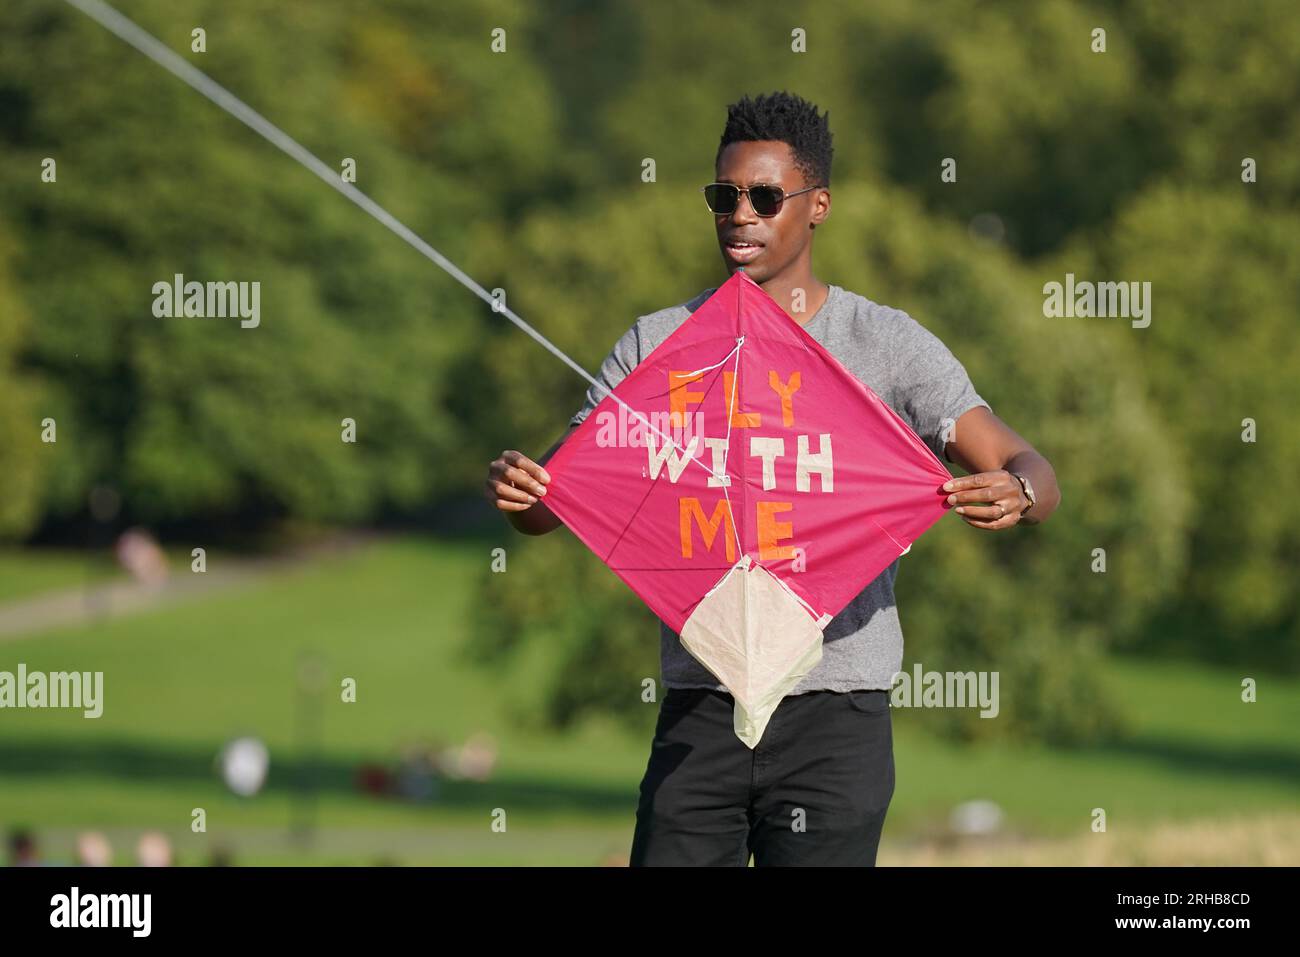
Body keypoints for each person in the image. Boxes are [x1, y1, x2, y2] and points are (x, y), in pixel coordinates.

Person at [484, 91, 1060, 866]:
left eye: (763, 197)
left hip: (838, 717)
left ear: (817, 205)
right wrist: (525, 491)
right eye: (723, 197)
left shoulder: (885, 343)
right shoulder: (658, 342)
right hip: (700, 707)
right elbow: (555, 500)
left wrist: (1017, 494)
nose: (740, 215)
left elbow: (1031, 469)